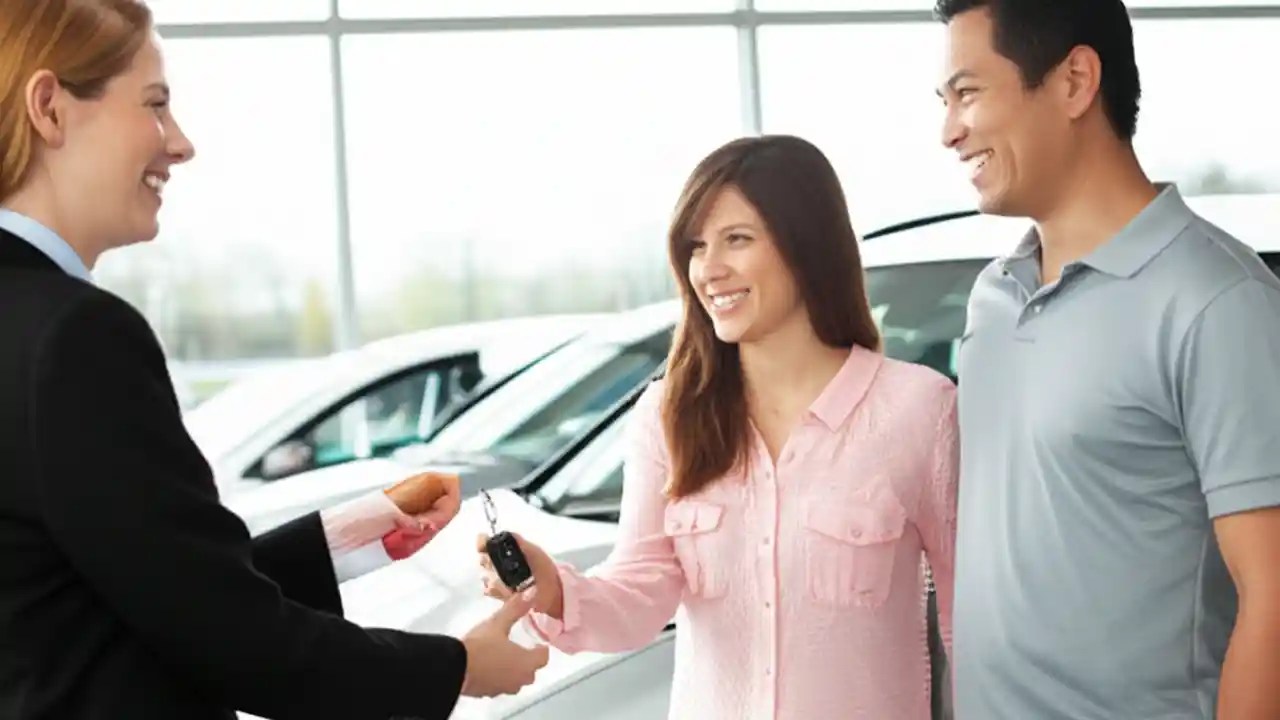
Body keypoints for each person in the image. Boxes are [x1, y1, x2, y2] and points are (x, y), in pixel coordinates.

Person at [0, 2, 548, 718]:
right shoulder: (75, 338)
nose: (181, 143)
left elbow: (136, 588)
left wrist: (337, 540)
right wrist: (458, 667)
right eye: (156, 106)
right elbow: (227, 638)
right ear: (50, 107)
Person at [477, 135, 959, 719]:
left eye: (737, 239)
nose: (710, 269)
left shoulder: (919, 409)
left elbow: (973, 623)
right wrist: (551, 587)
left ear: (808, 247)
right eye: (697, 246)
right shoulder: (668, 415)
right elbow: (639, 591)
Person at [934, 1, 1280, 718]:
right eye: (945, 101)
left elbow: (1273, 595)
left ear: (1075, 81)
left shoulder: (1218, 300)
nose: (949, 132)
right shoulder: (991, 300)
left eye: (967, 93)